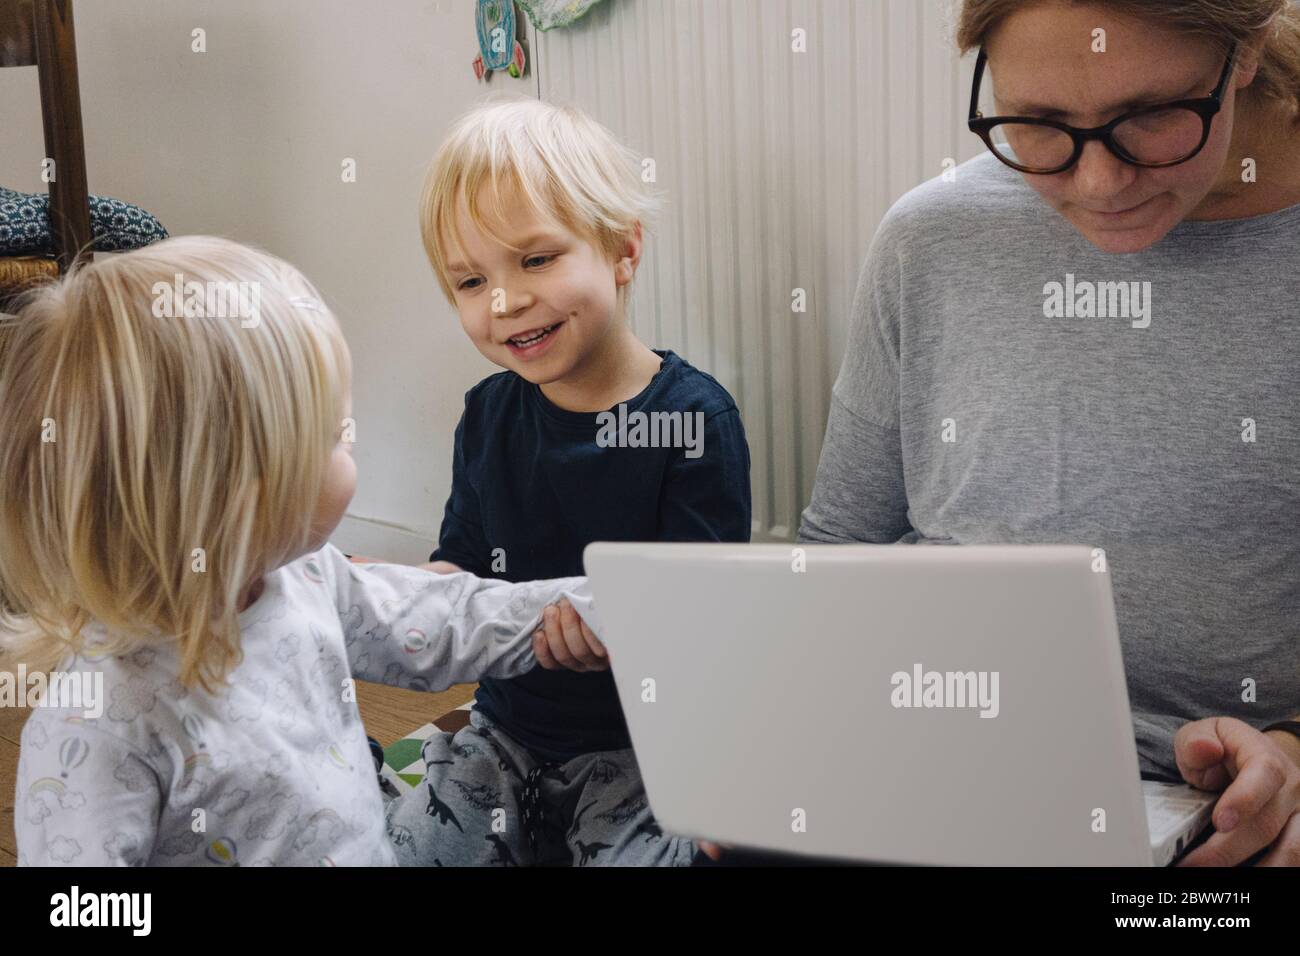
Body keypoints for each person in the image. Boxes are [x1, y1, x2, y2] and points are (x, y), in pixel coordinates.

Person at [797, 0, 1300, 866]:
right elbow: (840, 546)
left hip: (1214, 821)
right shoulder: (932, 235)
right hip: (925, 768)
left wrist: (1292, 755)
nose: (1101, 186)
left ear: (1243, 53)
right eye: (1038, 124)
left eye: (1151, 116)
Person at [0, 236, 601, 866]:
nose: (353, 446)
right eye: (336, 433)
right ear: (240, 493)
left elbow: (440, 616)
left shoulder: (304, 575)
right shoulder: (97, 725)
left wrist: (585, 606)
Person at [384, 96, 752, 866]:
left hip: (643, 744)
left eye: (536, 259)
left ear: (622, 251)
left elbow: (706, 625)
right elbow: (464, 568)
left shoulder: (694, 419)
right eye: (470, 281)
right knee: (401, 851)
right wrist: (394, 597)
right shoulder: (487, 414)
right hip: (502, 729)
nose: (506, 301)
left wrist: (623, 641)